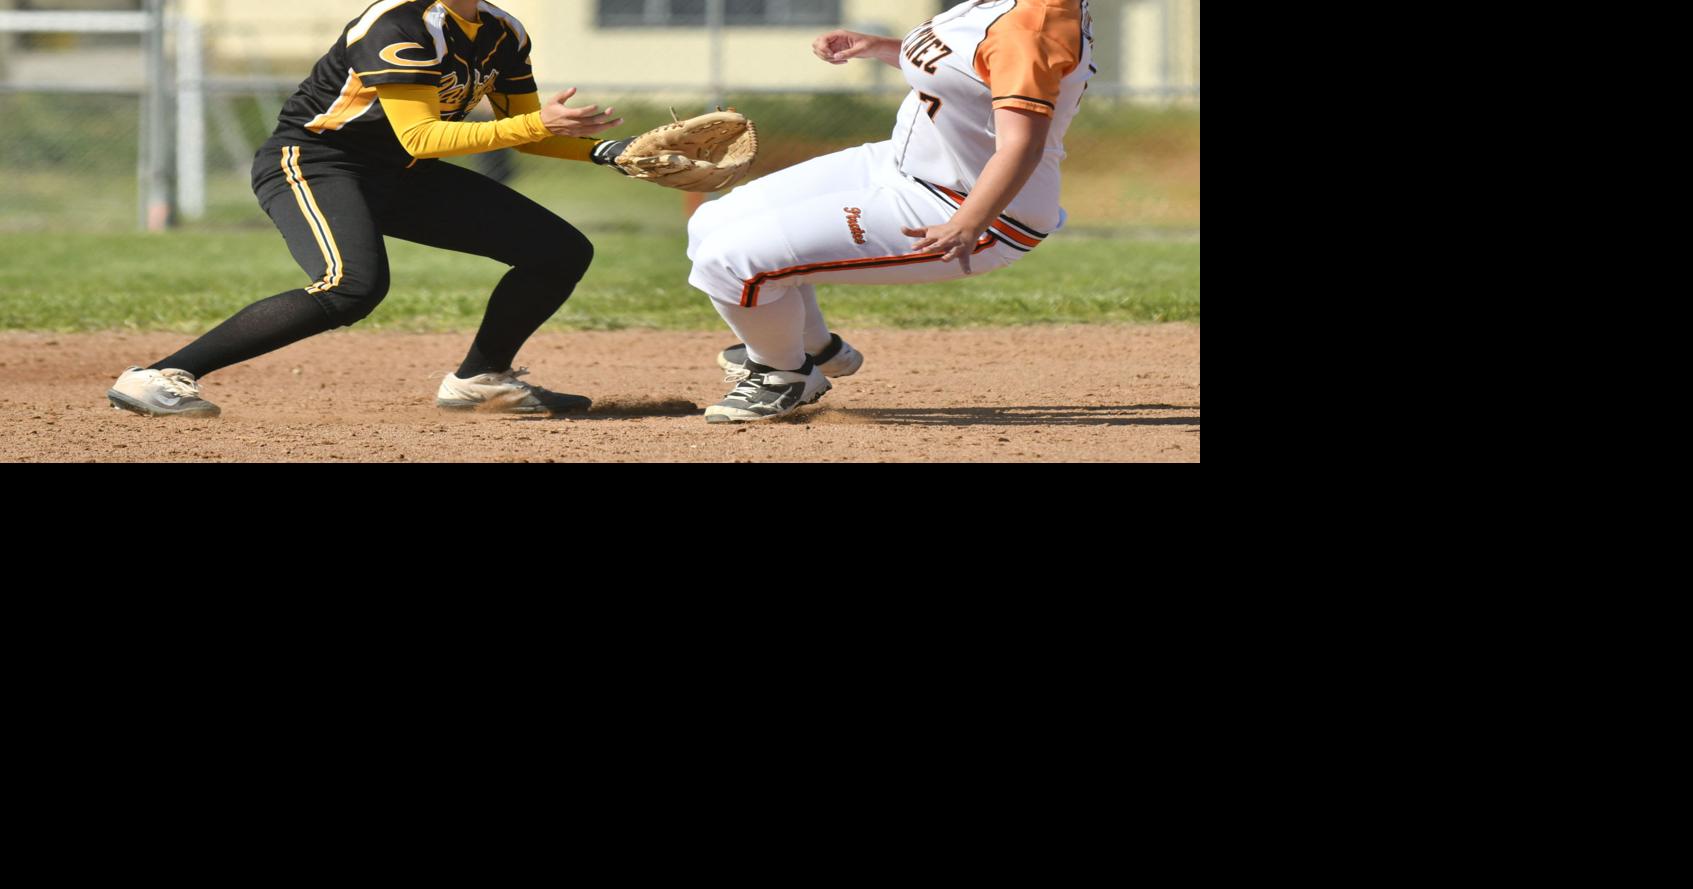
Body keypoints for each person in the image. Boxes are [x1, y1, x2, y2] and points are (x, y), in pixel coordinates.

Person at [108, 0, 635, 417]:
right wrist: (539, 124)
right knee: (350, 286)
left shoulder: (504, 31)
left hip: (402, 174)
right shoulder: (397, 23)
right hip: (315, 161)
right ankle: (160, 375)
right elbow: (422, 136)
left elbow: (531, 132)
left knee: (558, 251)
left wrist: (611, 152)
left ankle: (481, 381)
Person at [687, 0, 1095, 423]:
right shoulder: (1002, 6)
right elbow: (968, 67)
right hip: (898, 164)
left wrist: (968, 223)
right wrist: (880, 47)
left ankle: (784, 374)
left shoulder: (1029, 29)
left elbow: (1021, 146)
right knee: (709, 225)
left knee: (731, 261)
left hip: (967, 204)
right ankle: (811, 349)